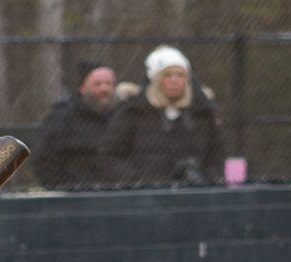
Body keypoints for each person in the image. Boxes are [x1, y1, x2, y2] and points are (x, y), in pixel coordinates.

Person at [98, 46, 224, 186]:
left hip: (195, 193)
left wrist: (208, 180)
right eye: (167, 75)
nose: (174, 80)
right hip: (146, 197)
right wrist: (138, 181)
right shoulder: (134, 112)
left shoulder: (201, 115)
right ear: (156, 80)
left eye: (180, 75)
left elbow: (216, 155)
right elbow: (109, 156)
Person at [34, 61, 120, 189]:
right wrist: (62, 187)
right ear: (83, 88)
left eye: (109, 83)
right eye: (97, 84)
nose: (104, 89)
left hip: (118, 191)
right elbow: (43, 157)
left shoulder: (122, 114)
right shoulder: (63, 116)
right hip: (75, 192)